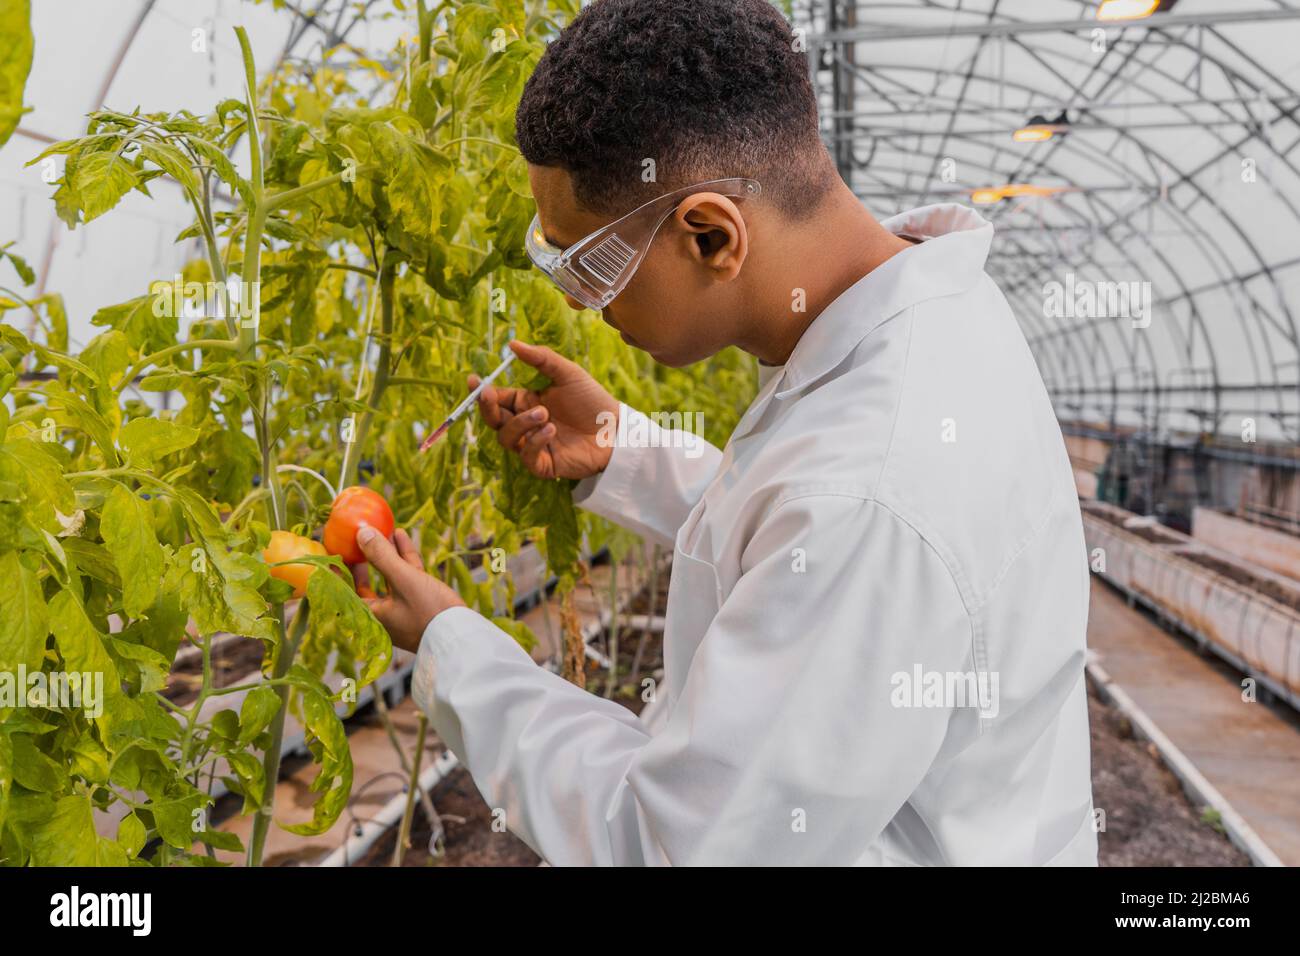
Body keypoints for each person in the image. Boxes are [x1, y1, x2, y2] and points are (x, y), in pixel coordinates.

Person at [353, 0, 1097, 865]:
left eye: (587, 263)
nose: (572, 300)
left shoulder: (870, 488)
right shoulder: (927, 319)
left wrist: (455, 644)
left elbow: (669, 845)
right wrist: (628, 451)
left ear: (710, 234)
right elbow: (799, 536)